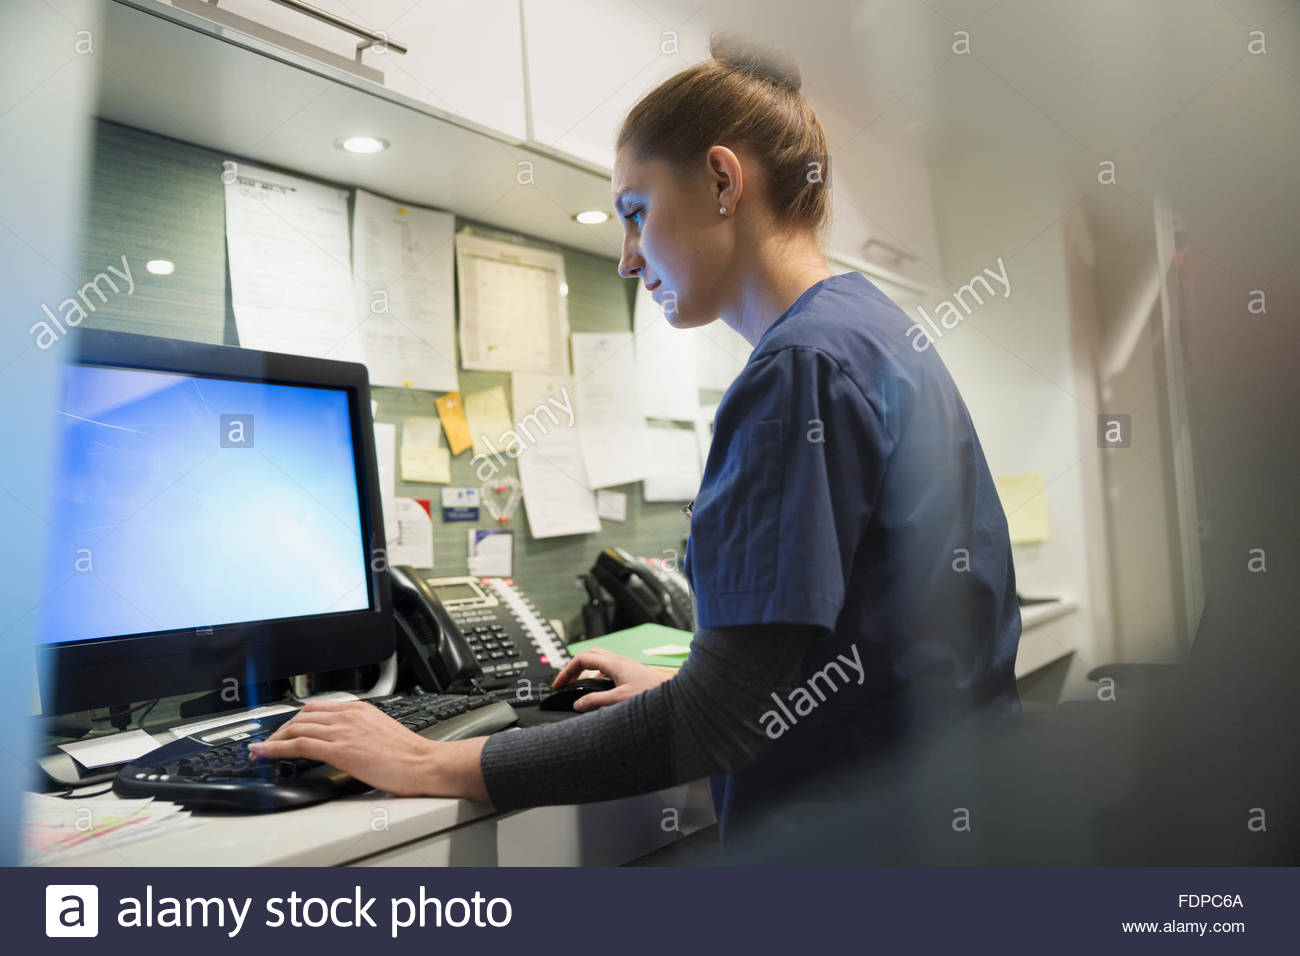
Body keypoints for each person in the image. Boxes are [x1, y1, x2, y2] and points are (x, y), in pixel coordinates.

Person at [250, 34, 1022, 849]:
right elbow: (853, 651)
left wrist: (434, 761)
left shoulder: (798, 369)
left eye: (636, 213)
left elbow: (719, 724)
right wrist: (684, 684)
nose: (627, 257)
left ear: (724, 182)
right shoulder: (874, 330)